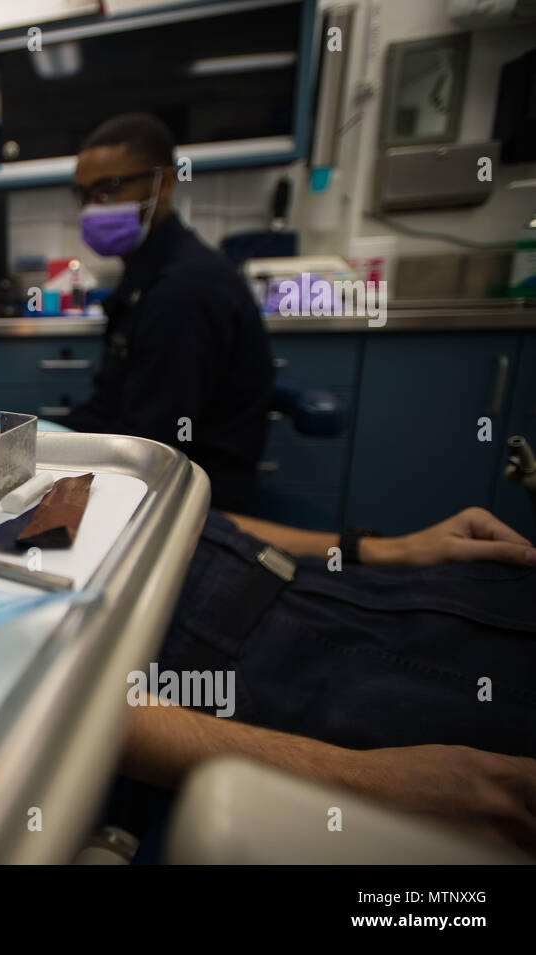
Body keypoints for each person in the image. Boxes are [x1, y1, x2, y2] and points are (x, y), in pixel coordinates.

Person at [118, 504, 536, 858]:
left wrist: (382, 549)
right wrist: (359, 780)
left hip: (334, 579)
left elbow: (188, 516)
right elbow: (62, 705)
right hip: (231, 691)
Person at [63, 113, 273, 513]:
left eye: (109, 188)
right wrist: (32, 442)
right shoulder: (146, 276)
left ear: (165, 183)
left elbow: (154, 442)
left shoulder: (184, 290)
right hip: (149, 467)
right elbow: (110, 402)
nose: (93, 208)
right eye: (84, 195)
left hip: (193, 498)